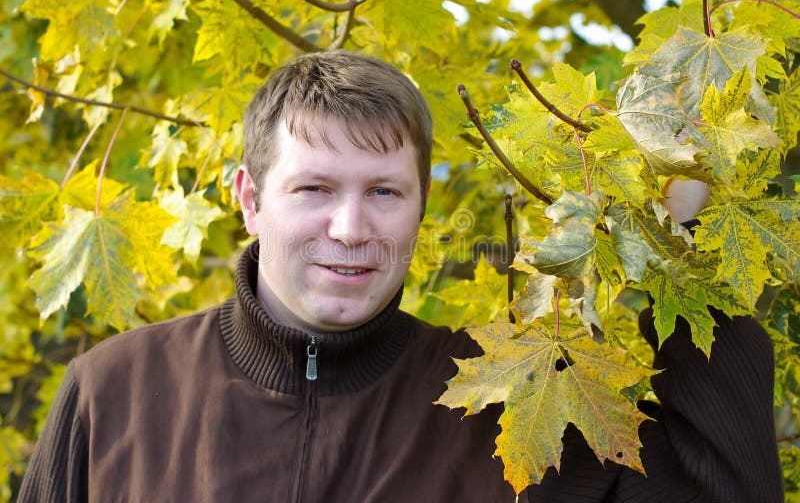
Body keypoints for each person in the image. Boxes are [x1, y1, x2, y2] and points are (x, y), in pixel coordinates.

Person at [19, 50, 783, 502]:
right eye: (314, 189)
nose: (350, 230)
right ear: (250, 201)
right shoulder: (111, 394)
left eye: (384, 192)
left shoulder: (511, 409)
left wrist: (681, 242)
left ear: (420, 207)